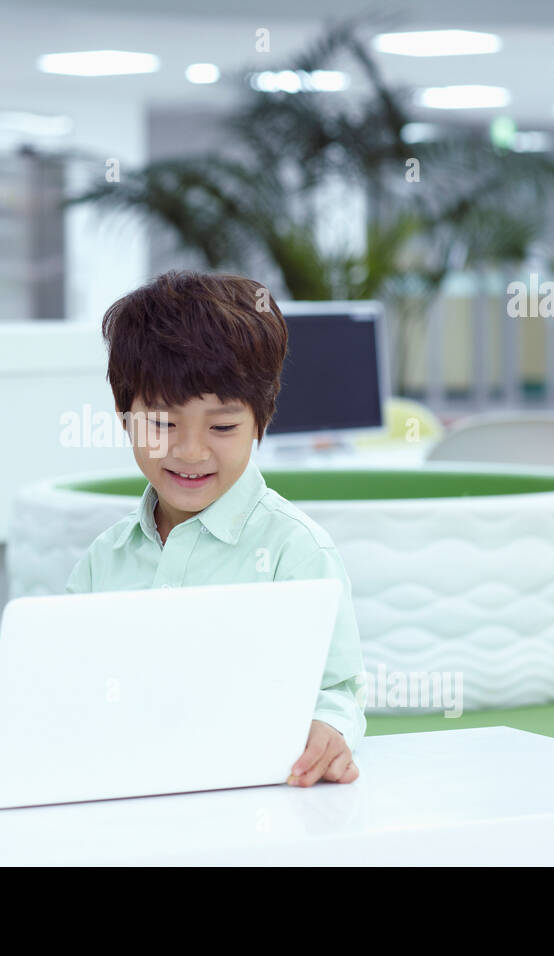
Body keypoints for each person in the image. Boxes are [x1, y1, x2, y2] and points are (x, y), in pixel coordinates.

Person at [65, 271, 367, 786]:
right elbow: (67, 682)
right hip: (128, 796)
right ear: (124, 418)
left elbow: (338, 689)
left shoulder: (294, 550)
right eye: (162, 424)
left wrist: (328, 728)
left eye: (222, 427)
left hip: (256, 798)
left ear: (261, 421)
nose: (190, 452)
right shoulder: (104, 559)